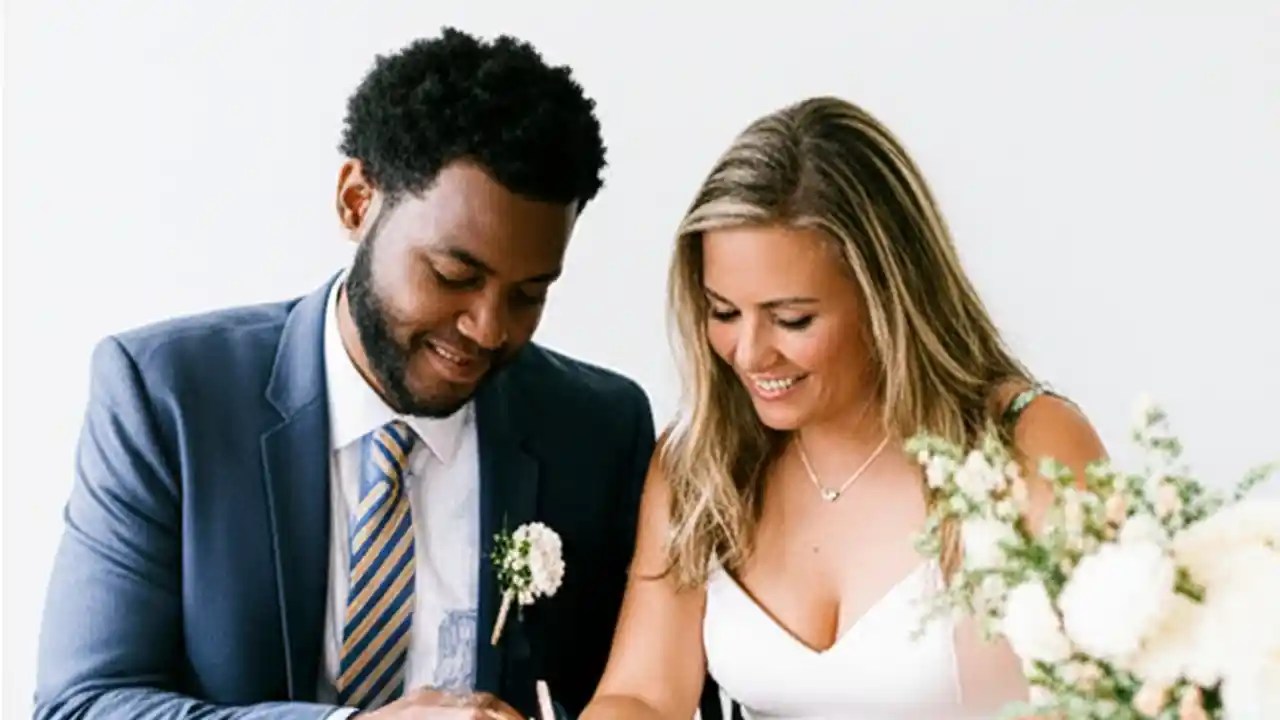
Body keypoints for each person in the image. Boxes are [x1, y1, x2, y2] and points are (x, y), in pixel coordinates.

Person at [35, 28, 654, 720]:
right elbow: (81, 704)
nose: (488, 328)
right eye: (454, 275)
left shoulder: (600, 430)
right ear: (357, 201)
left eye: (529, 294)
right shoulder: (166, 398)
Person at [581, 96, 1107, 719]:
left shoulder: (1027, 446)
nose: (749, 353)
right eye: (722, 312)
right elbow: (642, 694)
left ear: (889, 297)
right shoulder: (701, 460)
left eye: (791, 319)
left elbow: (1112, 696)